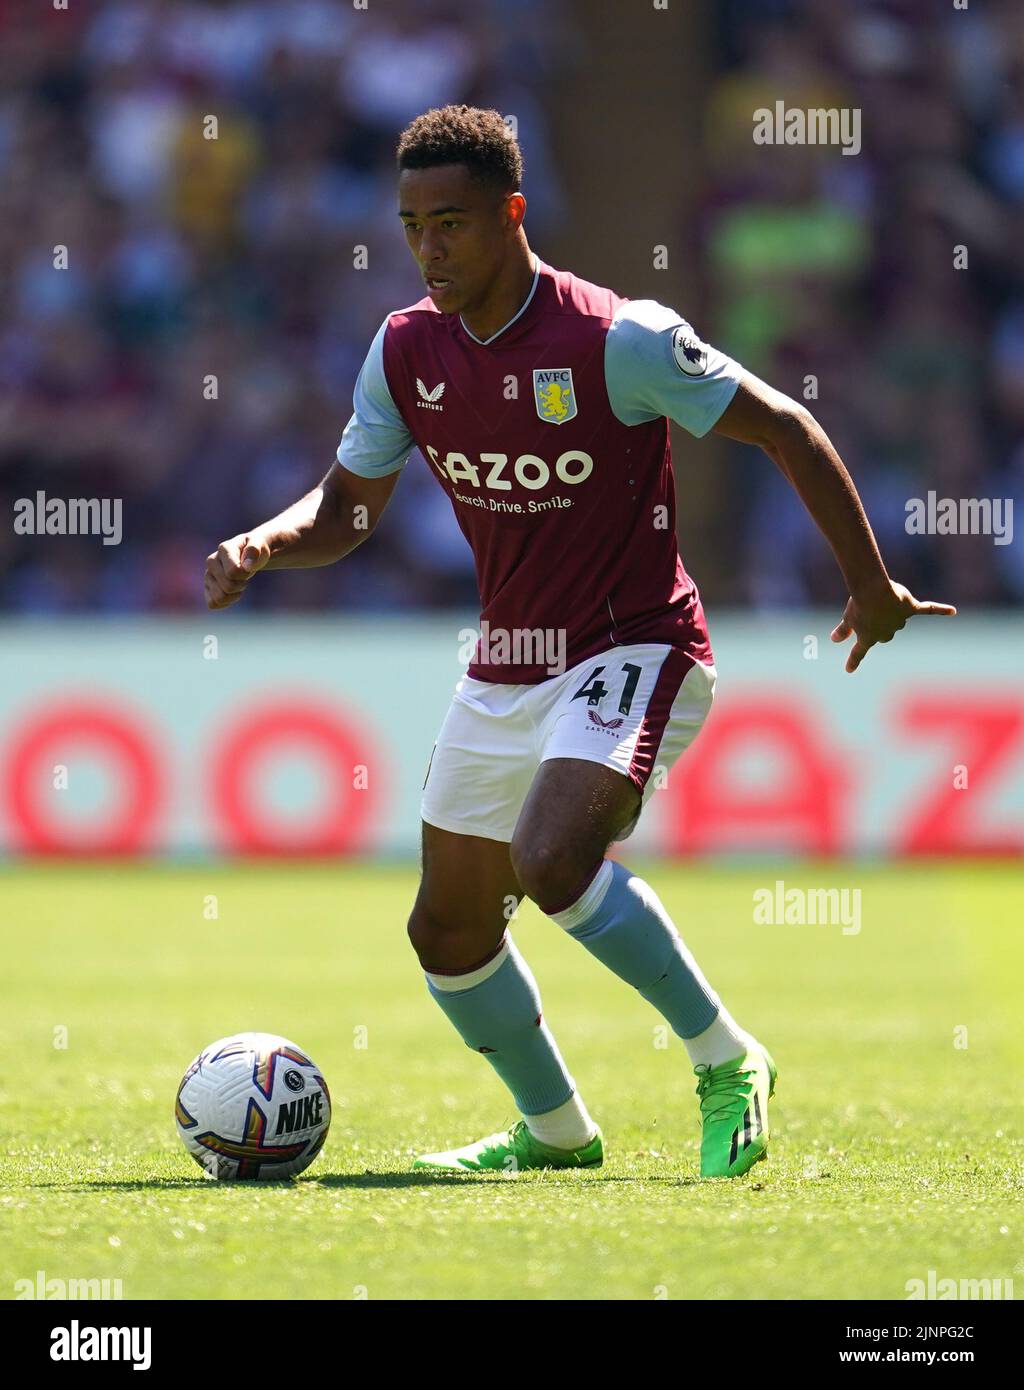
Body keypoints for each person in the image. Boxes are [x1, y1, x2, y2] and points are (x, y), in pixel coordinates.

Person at [205, 105, 955, 1178]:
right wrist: (261, 545)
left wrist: (868, 581)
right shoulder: (404, 347)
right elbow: (347, 507)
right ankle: (556, 1130)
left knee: (552, 859)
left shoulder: (619, 339)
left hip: (636, 646)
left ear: (514, 214)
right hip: (504, 663)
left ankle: (726, 1056)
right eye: (413, 225)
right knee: (447, 934)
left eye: (453, 223)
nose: (430, 249)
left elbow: (785, 424)